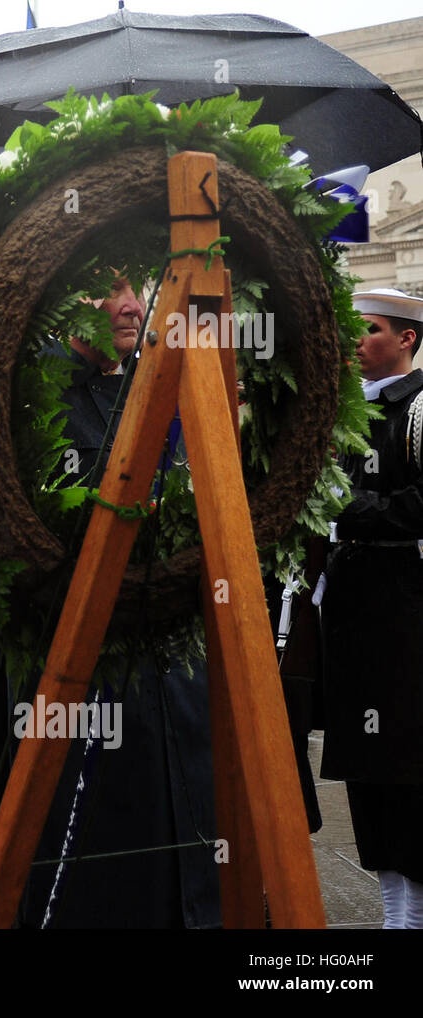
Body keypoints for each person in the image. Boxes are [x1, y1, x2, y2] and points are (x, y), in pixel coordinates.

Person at [0, 276, 220, 928]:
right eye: (106, 286)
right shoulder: (20, 401)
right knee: (92, 894)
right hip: (80, 704)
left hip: (174, 703)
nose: (130, 303)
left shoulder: (153, 395)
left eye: (136, 286)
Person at [319, 287, 423, 929]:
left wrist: (343, 508)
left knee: (410, 760)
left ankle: (412, 907)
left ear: (408, 338)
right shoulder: (345, 412)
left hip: (407, 604)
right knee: (365, 757)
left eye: (373, 329)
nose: (357, 341)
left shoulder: (419, 409)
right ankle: (392, 904)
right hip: (355, 604)